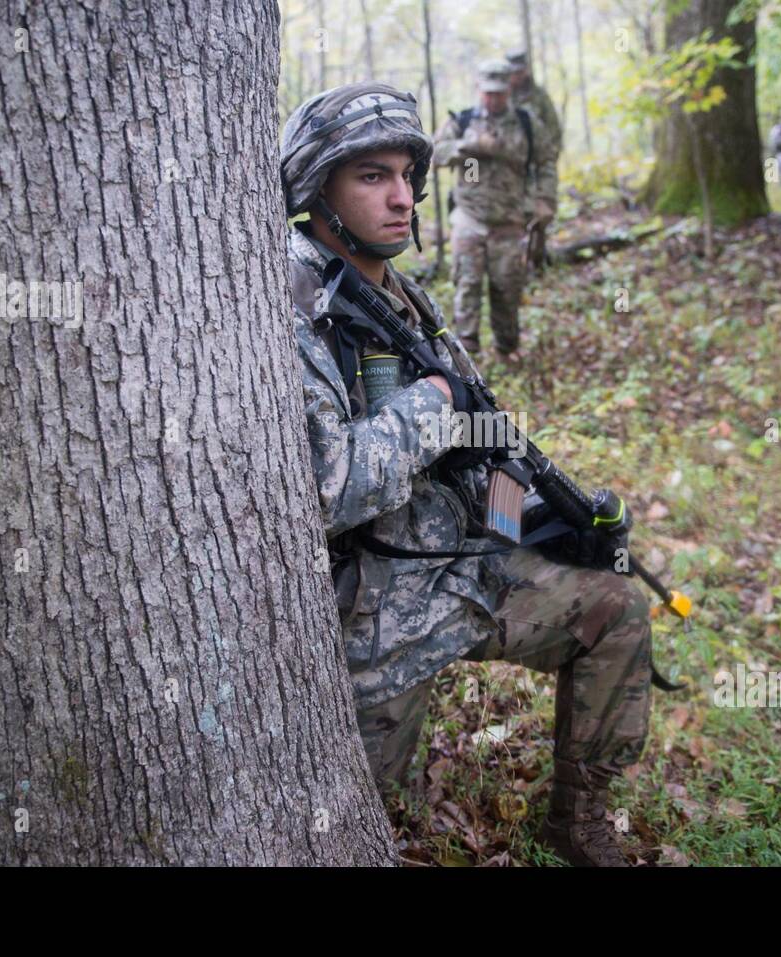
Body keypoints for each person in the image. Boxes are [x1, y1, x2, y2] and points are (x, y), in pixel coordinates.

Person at [280, 81, 655, 866]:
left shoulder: (402, 298)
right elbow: (318, 493)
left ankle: (577, 821)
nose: (402, 198)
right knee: (355, 828)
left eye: (408, 177)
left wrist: (554, 528)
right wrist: (434, 401)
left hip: (457, 568)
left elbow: (481, 450)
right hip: (370, 619)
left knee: (615, 603)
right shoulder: (297, 307)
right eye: (372, 177)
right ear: (319, 189)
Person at [431, 60, 532, 362]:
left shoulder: (525, 122)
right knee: (467, 284)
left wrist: (543, 204)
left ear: (509, 90)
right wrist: (470, 145)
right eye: (487, 93)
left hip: (509, 221)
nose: (493, 99)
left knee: (506, 287)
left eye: (499, 93)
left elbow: (544, 163)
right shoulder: (461, 121)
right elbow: (434, 152)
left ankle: (507, 348)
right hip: (469, 218)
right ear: (478, 90)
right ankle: (467, 353)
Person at [506, 49, 561, 270]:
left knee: (540, 214)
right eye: (512, 72)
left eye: (519, 72)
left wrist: (547, 161)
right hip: (510, 171)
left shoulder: (539, 96)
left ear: (526, 70)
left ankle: (537, 259)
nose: (516, 76)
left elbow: (554, 131)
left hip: (536, 166)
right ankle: (516, 264)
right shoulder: (503, 96)